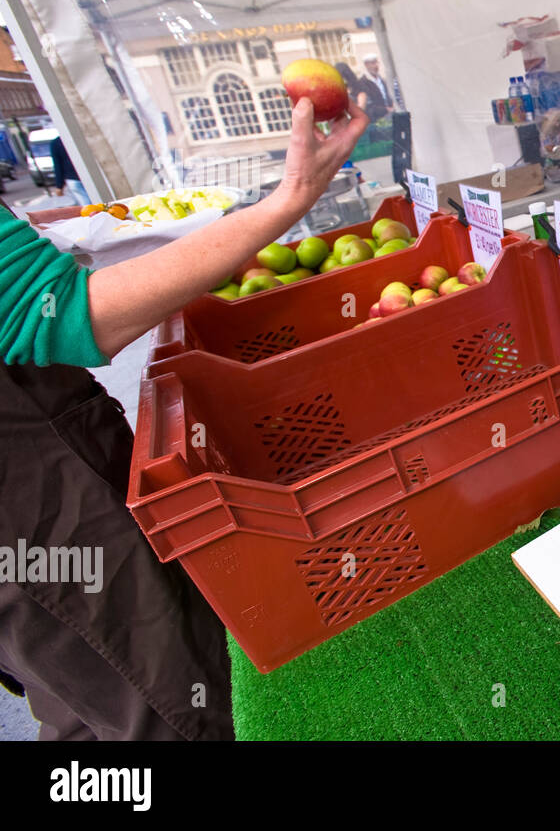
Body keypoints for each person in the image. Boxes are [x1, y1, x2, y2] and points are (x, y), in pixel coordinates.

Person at [0, 97, 368, 739]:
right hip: (33, 505)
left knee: (82, 683)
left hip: (35, 486)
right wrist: (285, 202)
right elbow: (62, 313)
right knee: (166, 694)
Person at [49, 133, 90, 206]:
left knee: (86, 204)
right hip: (88, 174)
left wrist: (59, 186)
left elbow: (58, 165)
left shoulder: (55, 143)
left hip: (72, 178)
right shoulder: (78, 138)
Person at [355, 53, 393, 123]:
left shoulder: (381, 80)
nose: (376, 66)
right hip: (377, 119)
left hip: (390, 115)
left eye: (376, 62)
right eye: (373, 63)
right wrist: (386, 109)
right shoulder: (363, 82)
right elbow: (369, 105)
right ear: (366, 65)